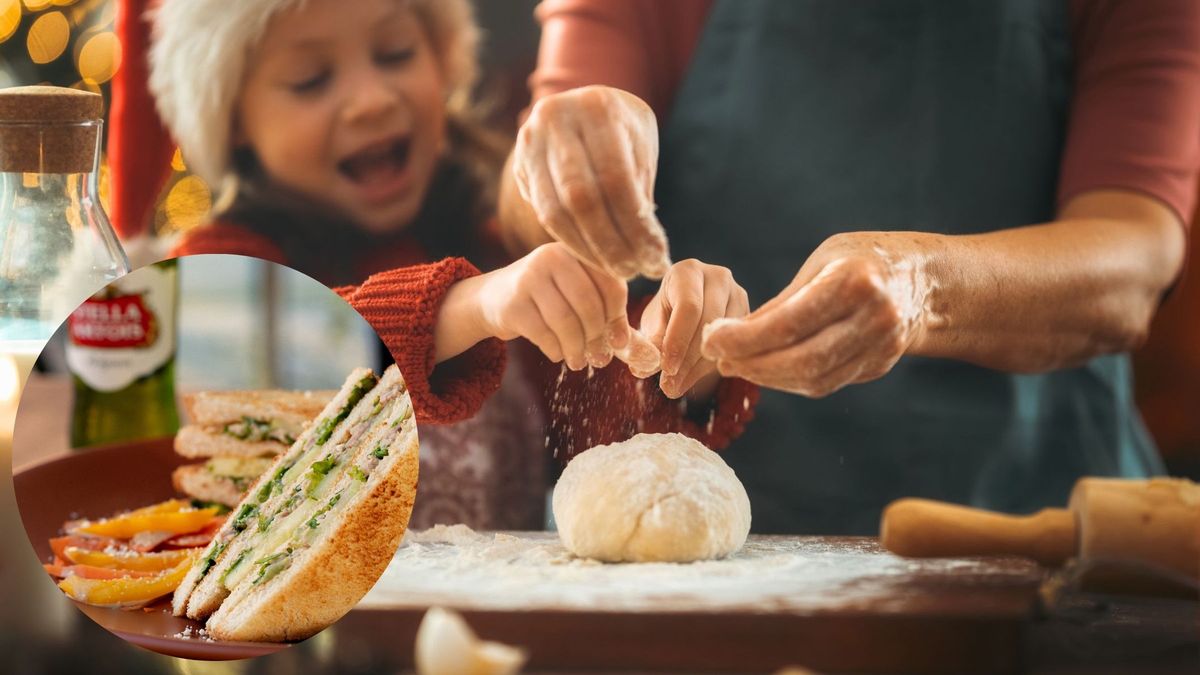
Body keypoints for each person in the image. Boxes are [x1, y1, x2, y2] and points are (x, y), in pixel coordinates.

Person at [499, 0, 1200, 533]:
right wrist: (564, 150)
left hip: (1041, 518)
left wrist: (921, 284)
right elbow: (526, 203)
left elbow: (1134, 256)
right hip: (740, 542)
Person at [108, 0, 758, 528]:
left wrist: (674, 354)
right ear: (236, 122)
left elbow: (592, 424)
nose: (370, 100)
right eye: (311, 80)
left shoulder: (494, 248)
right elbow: (266, 382)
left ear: (443, 63)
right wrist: (471, 307)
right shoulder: (219, 266)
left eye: (395, 54)